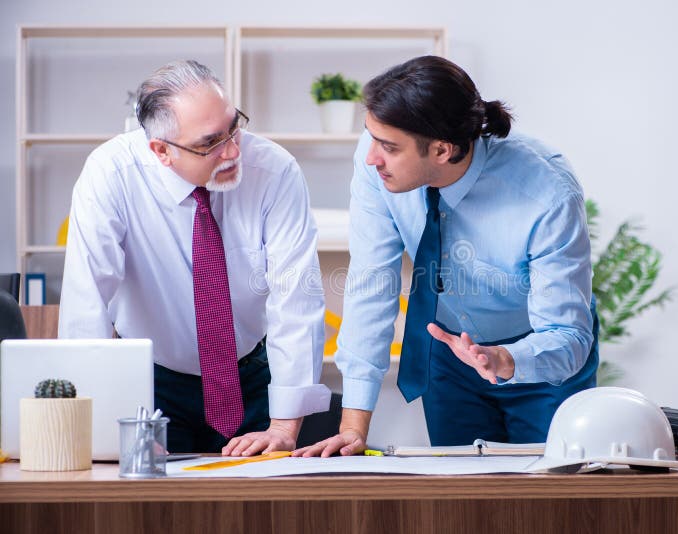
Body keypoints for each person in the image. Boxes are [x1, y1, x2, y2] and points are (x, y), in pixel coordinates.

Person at [296, 55, 599, 457]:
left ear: (442, 150)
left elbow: (568, 335)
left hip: (541, 358)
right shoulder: (377, 164)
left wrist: (504, 359)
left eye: (388, 147)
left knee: (546, 502)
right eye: (372, 139)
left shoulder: (546, 193)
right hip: (450, 350)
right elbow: (372, 286)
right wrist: (353, 427)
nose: (372, 157)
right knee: (460, 500)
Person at [59, 60, 330, 454]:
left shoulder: (273, 171)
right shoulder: (111, 174)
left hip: (250, 377)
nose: (233, 150)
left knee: (257, 510)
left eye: (234, 126)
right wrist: (92, 428)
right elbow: (86, 305)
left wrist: (284, 427)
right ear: (161, 151)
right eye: (210, 143)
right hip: (149, 383)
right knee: (155, 511)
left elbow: (297, 299)